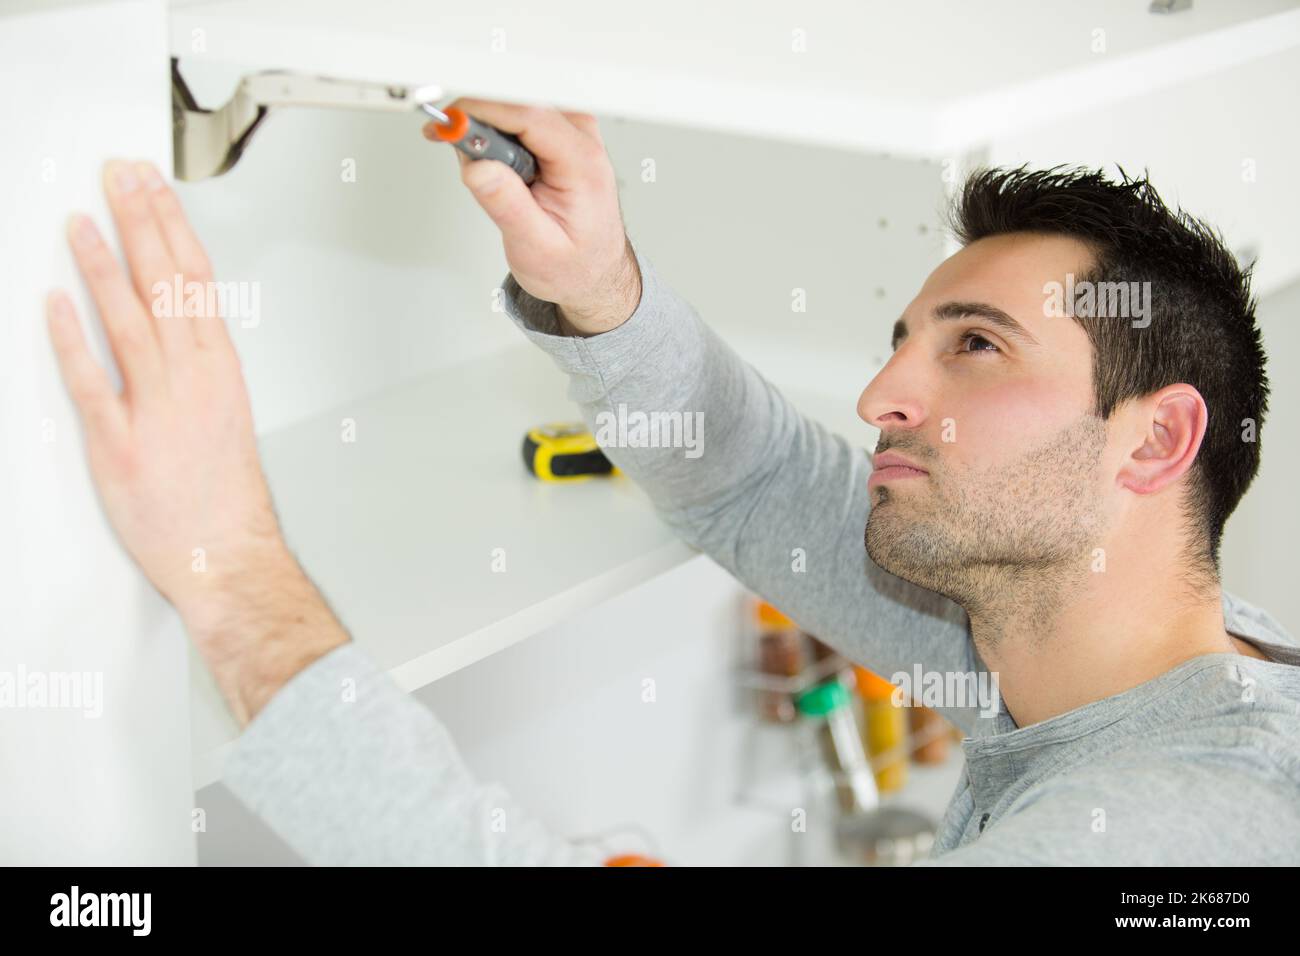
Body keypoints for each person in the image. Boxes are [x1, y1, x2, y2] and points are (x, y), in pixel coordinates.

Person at [45, 100, 1300, 865]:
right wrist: (593, 280)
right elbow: (750, 479)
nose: (879, 399)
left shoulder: (1184, 827)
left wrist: (231, 561)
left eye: (974, 346)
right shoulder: (1054, 650)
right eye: (899, 341)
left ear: (1153, 440)